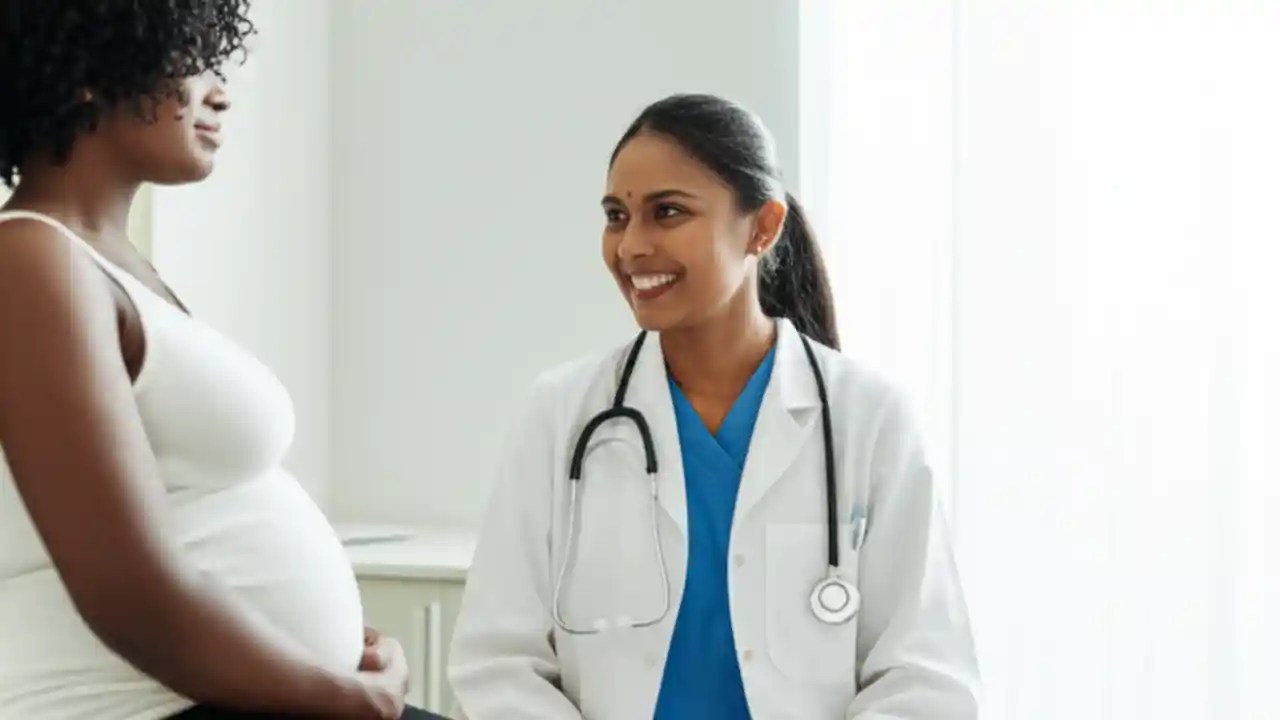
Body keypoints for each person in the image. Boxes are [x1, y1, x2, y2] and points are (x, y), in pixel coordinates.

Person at [448, 94, 980, 718]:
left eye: (667, 213)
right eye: (617, 216)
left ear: (762, 227)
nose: (632, 246)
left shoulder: (869, 419)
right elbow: (498, 661)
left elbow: (924, 676)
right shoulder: (560, 417)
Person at [0, 3, 444, 718]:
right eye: (188, 61)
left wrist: (338, 654)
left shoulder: (109, 267)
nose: (220, 92)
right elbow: (126, 588)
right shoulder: (29, 260)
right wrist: (346, 695)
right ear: (87, 76)